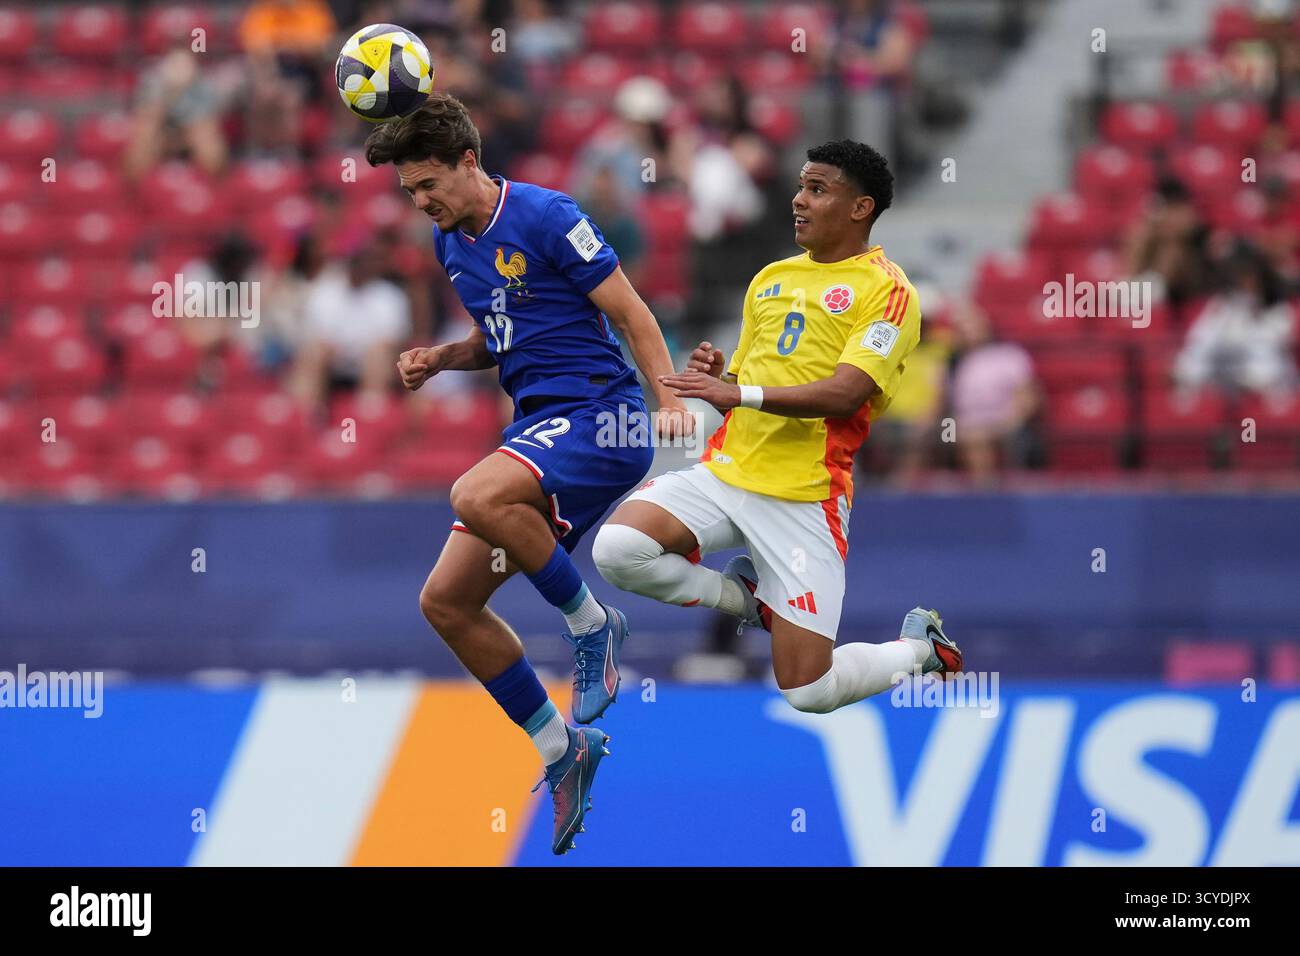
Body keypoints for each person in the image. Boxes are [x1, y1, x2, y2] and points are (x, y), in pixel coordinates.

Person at [368, 94, 691, 854]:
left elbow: (631, 311)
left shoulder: (548, 215)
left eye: (427, 186)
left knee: (474, 492)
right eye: (409, 193)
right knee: (445, 602)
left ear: (469, 162)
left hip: (601, 417)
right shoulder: (452, 244)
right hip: (540, 427)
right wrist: (443, 356)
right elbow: (504, 332)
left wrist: (666, 396)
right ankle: (561, 750)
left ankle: (593, 625)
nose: (421, 203)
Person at [591, 140, 963, 720]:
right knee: (618, 550)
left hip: (804, 497)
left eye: (817, 189)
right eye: (800, 187)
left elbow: (846, 392)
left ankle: (920, 650)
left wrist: (736, 391)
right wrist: (722, 381)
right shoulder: (769, 279)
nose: (798, 200)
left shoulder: (888, 292)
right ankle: (749, 602)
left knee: (808, 691)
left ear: (860, 208)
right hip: (727, 472)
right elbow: (744, 385)